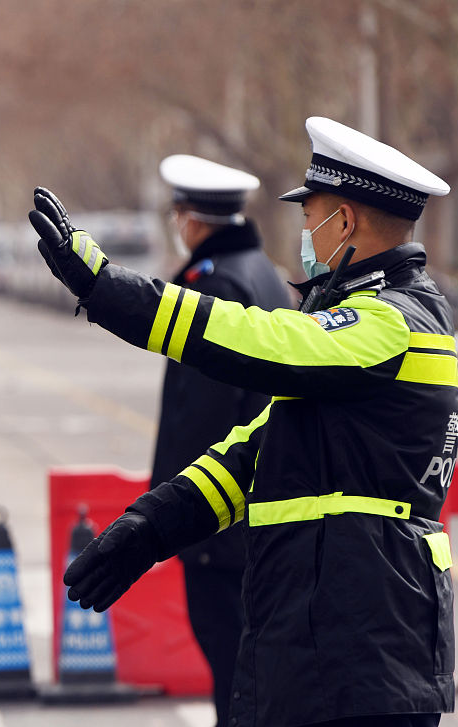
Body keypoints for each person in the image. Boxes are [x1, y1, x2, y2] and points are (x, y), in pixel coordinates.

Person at [29, 117, 458, 727]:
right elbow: (255, 457)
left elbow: (262, 339)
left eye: (310, 216)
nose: (304, 230)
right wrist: (150, 529)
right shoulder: (358, 331)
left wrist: (108, 290)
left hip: (361, 653)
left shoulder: (392, 321)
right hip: (318, 649)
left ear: (346, 221)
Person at [154, 154, 292, 727]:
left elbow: (202, 422)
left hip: (221, 526)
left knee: (235, 674)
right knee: (255, 670)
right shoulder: (266, 274)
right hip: (264, 512)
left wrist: (179, 516)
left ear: (190, 220)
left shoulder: (214, 288)